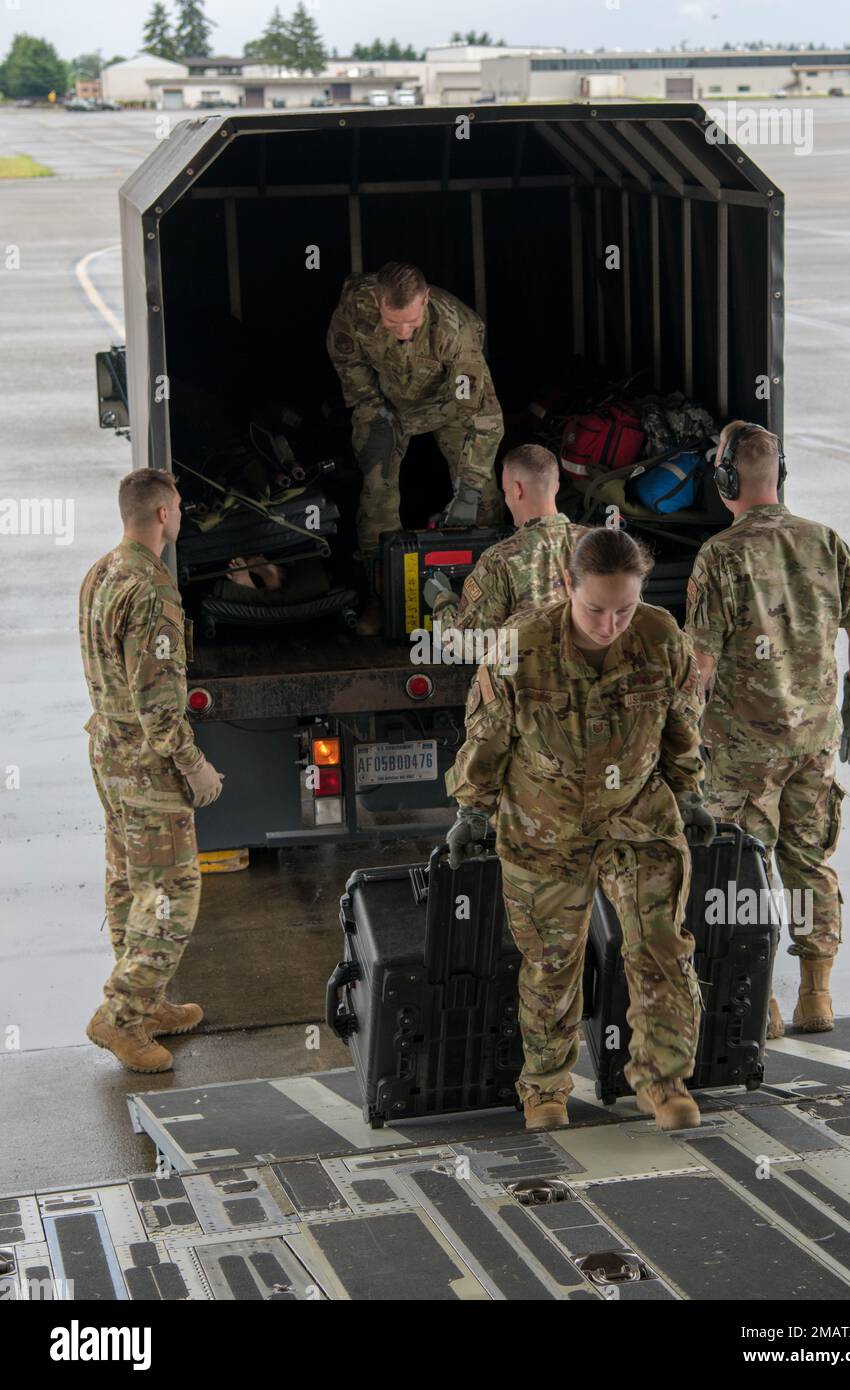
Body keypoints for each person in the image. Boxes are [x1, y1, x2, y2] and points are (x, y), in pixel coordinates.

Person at [445, 528, 714, 1133]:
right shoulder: (520, 645)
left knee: (661, 948)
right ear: (567, 585)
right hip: (545, 827)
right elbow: (486, 736)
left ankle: (662, 1082)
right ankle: (545, 1089)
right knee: (550, 962)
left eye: (624, 607)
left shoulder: (661, 637)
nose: (610, 622)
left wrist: (690, 791)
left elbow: (680, 725)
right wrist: (470, 808)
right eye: (595, 607)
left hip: (638, 821)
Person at [684, 421, 850, 1038]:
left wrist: (678, 740)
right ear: (780, 475)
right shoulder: (826, 541)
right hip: (814, 741)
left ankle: (760, 1004)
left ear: (725, 479)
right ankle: (816, 997)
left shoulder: (721, 556)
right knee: (811, 861)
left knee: (744, 867)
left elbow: (701, 665)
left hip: (743, 752)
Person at [80, 469, 224, 1073]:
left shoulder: (101, 572)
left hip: (109, 753)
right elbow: (159, 703)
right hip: (144, 764)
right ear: (165, 514)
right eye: (180, 508)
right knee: (172, 892)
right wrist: (196, 767)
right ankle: (120, 1017)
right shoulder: (152, 587)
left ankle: (148, 1004)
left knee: (128, 883)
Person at [326, 261, 505, 634]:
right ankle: (380, 597)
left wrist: (468, 491)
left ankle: (486, 599)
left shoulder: (458, 331)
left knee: (483, 495)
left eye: (412, 321)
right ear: (378, 300)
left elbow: (483, 417)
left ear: (425, 299)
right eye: (394, 323)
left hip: (450, 405)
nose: (404, 331)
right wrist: (374, 407)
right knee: (376, 493)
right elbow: (349, 362)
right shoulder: (355, 308)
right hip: (386, 406)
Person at [423, 444, 589, 636]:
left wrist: (442, 600)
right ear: (557, 488)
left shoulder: (499, 560)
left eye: (505, 491)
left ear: (517, 490)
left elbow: (469, 643)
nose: (507, 499)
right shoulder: (598, 543)